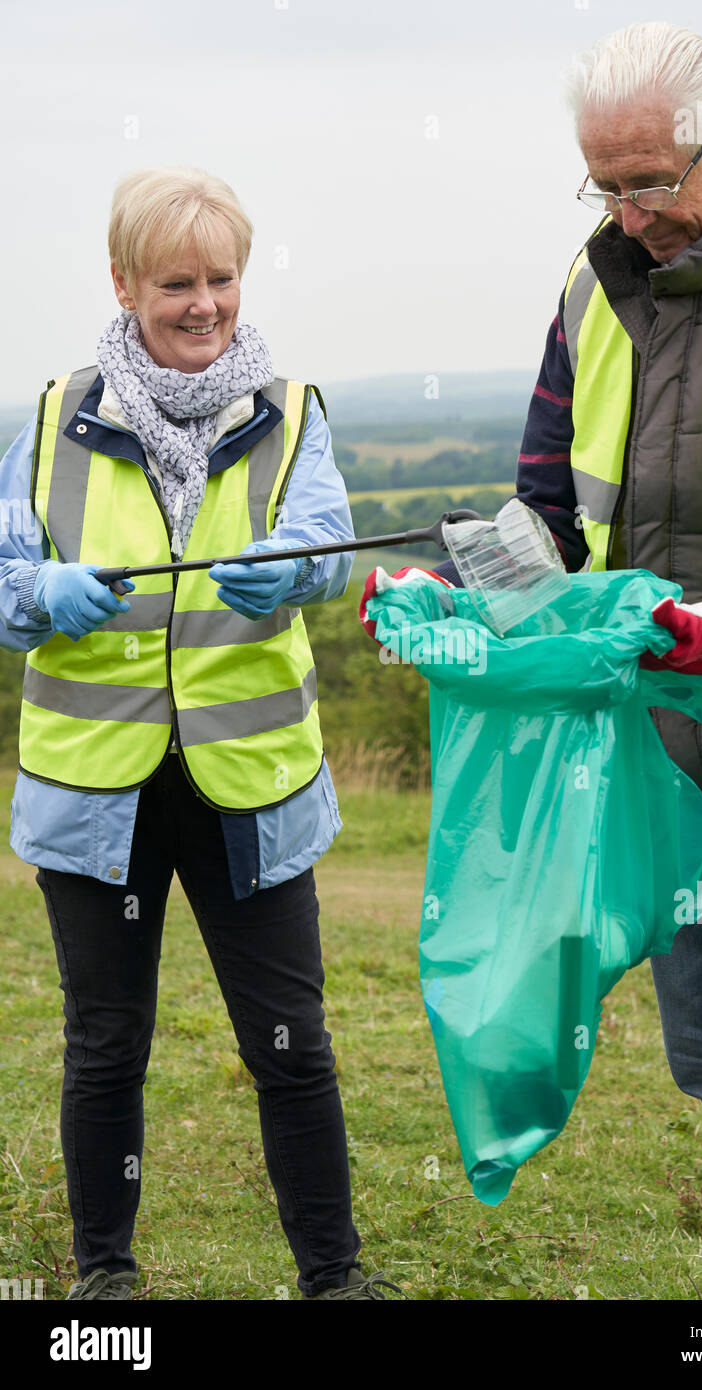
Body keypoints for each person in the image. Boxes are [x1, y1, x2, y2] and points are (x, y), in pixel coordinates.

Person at [364, 21, 702, 1300]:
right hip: (666, 763)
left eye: (653, 178)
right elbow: (542, 523)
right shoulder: (586, 294)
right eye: (605, 183)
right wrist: (454, 592)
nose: (631, 210)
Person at [0, 165, 406, 1301]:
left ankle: (334, 1279)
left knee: (291, 1049)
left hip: (249, 788)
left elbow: (328, 549)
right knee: (105, 1046)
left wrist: (292, 570)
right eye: (176, 282)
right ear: (125, 282)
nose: (203, 304)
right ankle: (103, 1280)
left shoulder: (291, 412)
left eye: (220, 279)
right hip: (98, 794)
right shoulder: (48, 418)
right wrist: (40, 594)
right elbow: (1, 581)